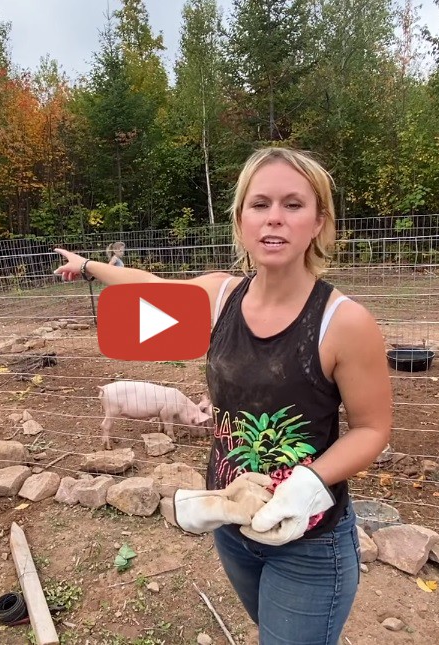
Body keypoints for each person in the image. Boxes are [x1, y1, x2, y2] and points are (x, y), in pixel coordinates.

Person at [53, 146, 393, 644]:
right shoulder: (219, 299)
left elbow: (373, 428)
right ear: (239, 221)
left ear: (319, 221)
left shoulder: (344, 324)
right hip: (232, 522)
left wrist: (308, 482)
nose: (274, 219)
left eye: (293, 204)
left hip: (309, 540)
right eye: (260, 204)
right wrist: (87, 266)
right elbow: (151, 288)